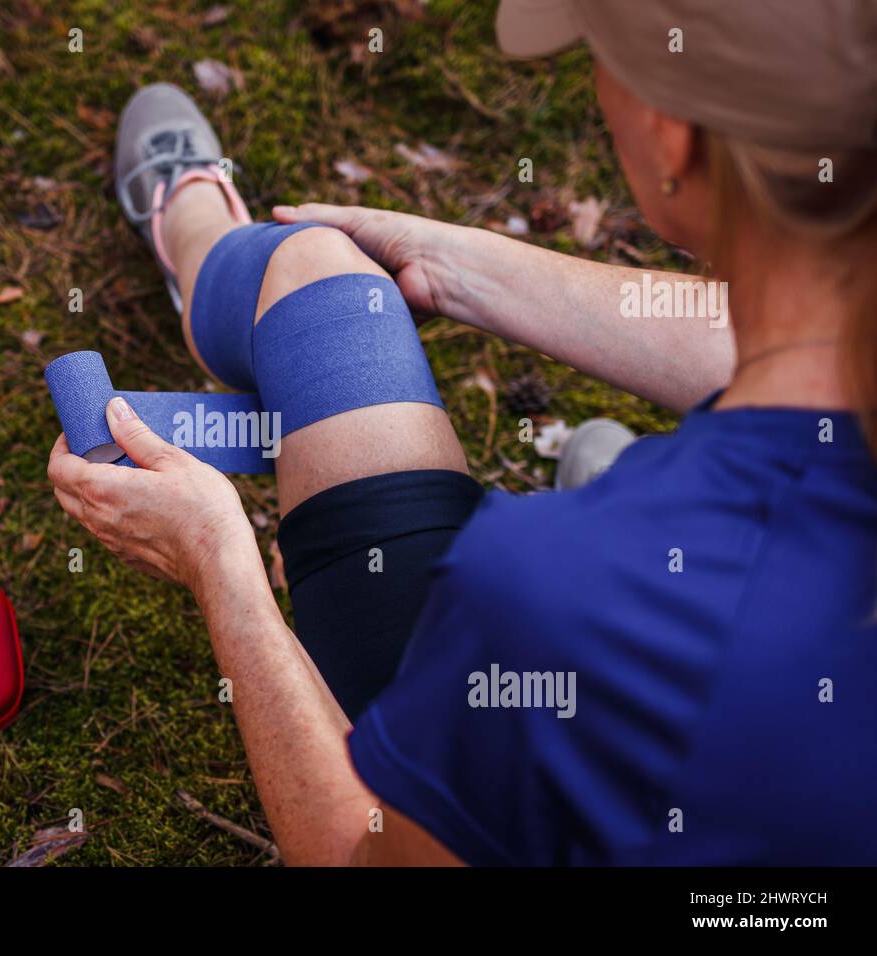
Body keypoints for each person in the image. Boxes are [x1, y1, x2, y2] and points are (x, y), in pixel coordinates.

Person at [47, 0, 877, 865]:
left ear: (675, 137)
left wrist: (221, 567)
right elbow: (794, 329)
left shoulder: (540, 590)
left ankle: (200, 238)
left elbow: (357, 853)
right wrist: (458, 269)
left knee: (315, 272)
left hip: (612, 648)